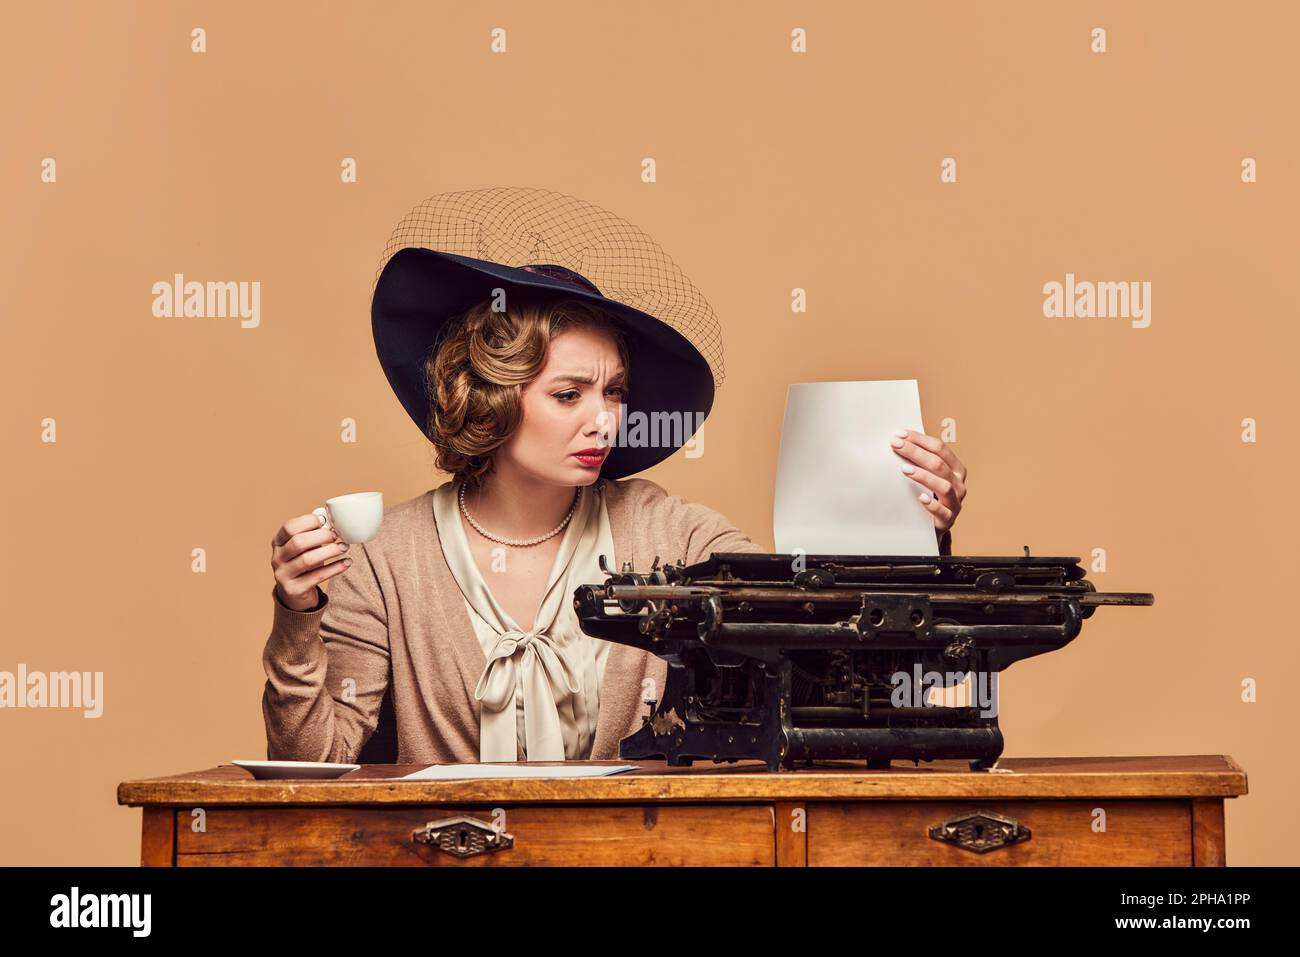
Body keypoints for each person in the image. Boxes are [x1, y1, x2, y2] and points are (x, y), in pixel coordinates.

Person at [260, 187, 966, 765]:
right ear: (494, 399)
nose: (605, 422)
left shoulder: (667, 529)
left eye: (616, 392)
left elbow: (820, 634)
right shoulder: (387, 558)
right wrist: (297, 617)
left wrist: (907, 528)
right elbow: (313, 761)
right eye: (570, 395)